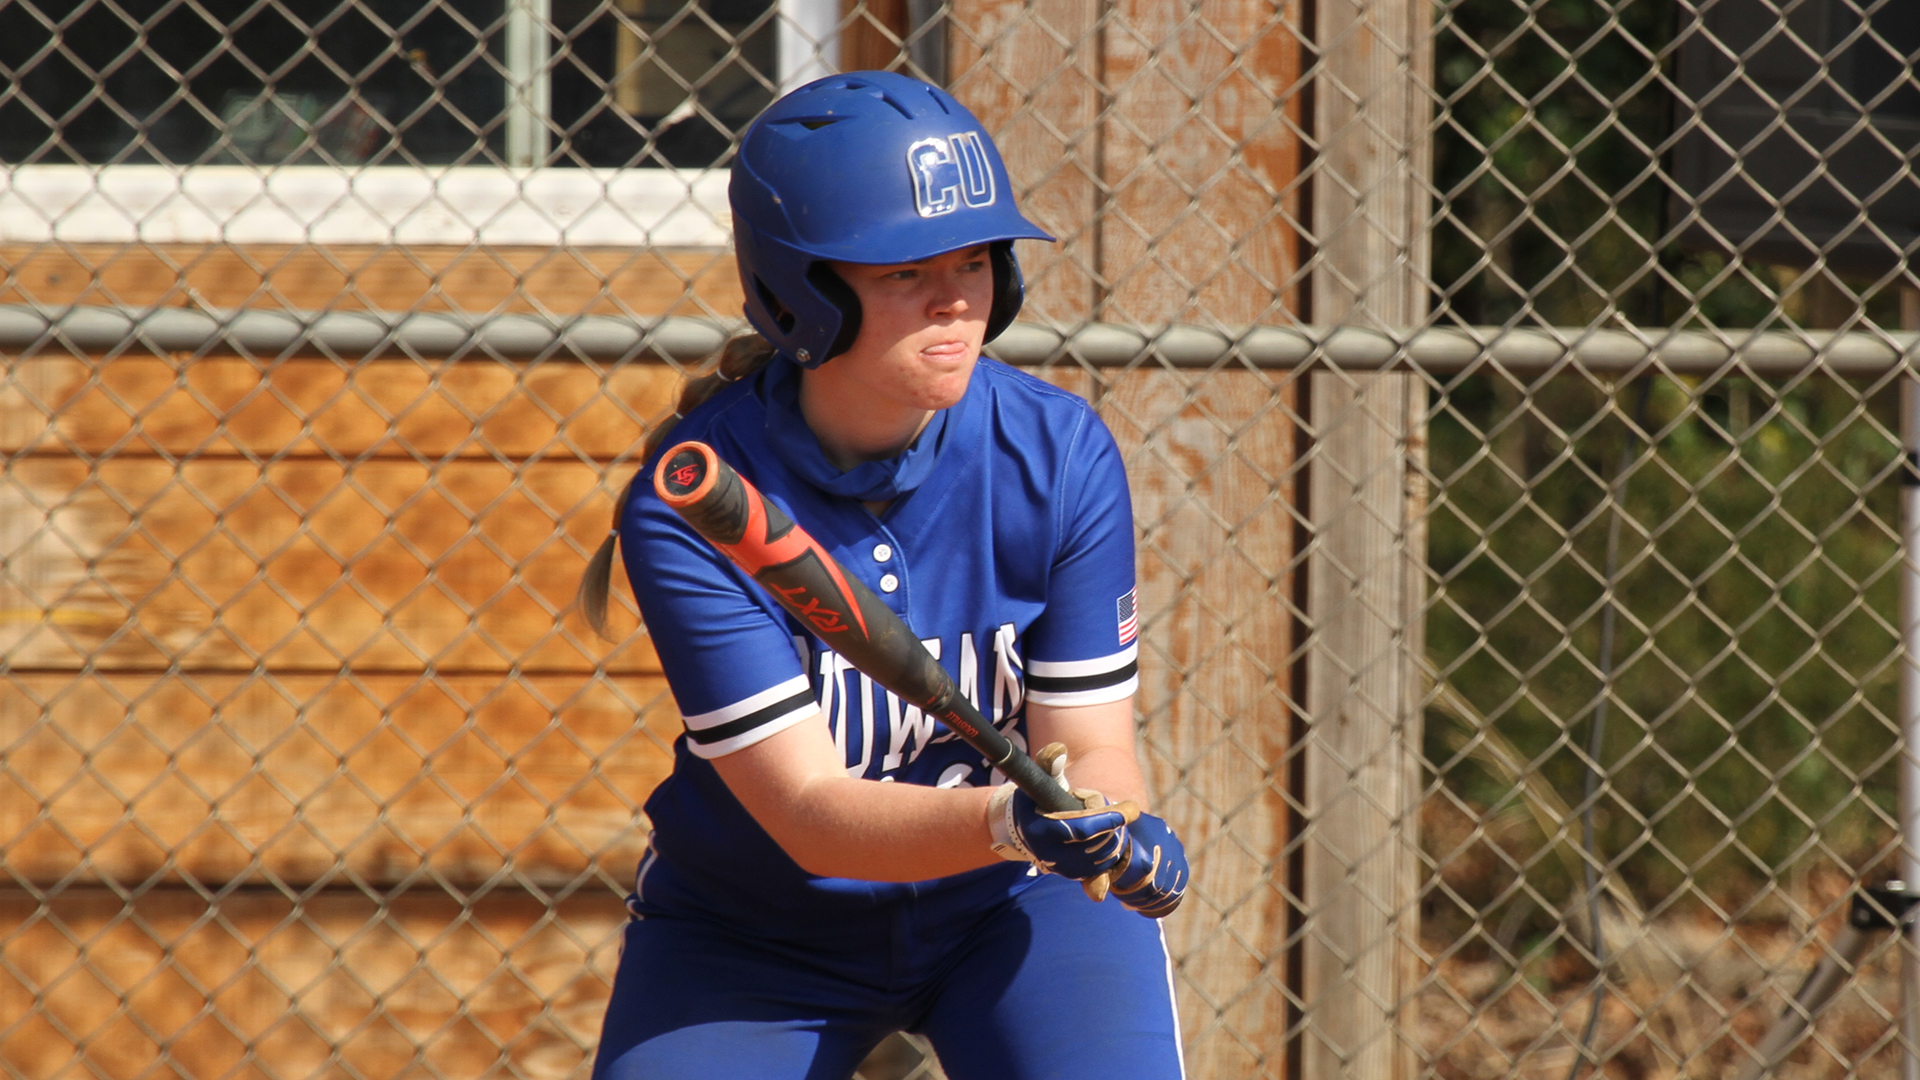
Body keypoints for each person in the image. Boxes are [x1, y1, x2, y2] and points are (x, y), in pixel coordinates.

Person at [576, 70, 1190, 1080]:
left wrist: (1105, 825)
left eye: (975, 258)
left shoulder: (1056, 452)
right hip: (757, 928)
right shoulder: (700, 500)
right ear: (800, 290)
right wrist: (1010, 818)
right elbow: (812, 817)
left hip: (1007, 907)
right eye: (904, 269)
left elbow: (1087, 748)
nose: (955, 294)